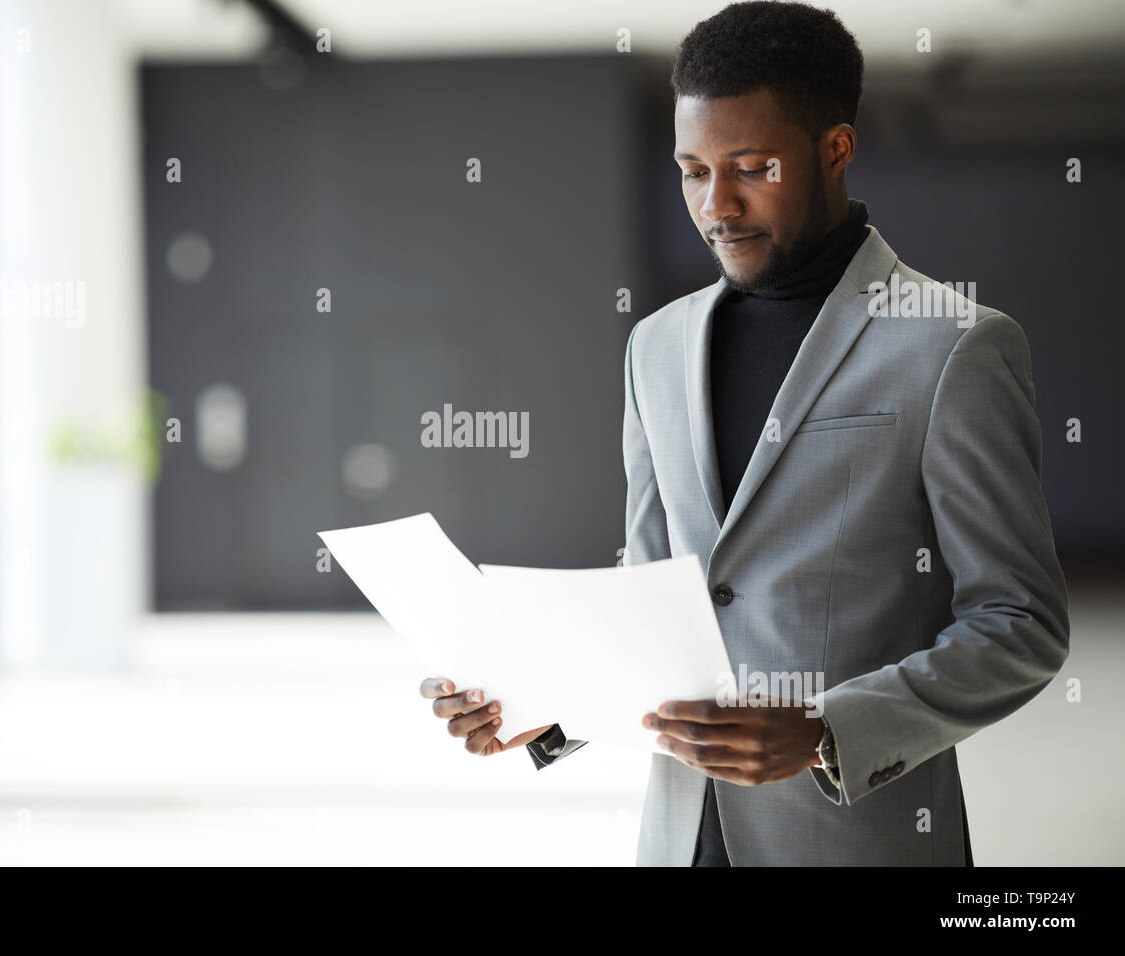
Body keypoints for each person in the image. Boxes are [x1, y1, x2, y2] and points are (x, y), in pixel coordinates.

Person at [420, 0, 1069, 865]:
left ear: (834, 150)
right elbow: (655, 606)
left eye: (751, 166)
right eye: (692, 170)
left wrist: (825, 730)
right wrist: (544, 706)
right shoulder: (654, 346)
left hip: (858, 840)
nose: (715, 204)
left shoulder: (956, 346)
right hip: (683, 838)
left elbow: (1019, 623)